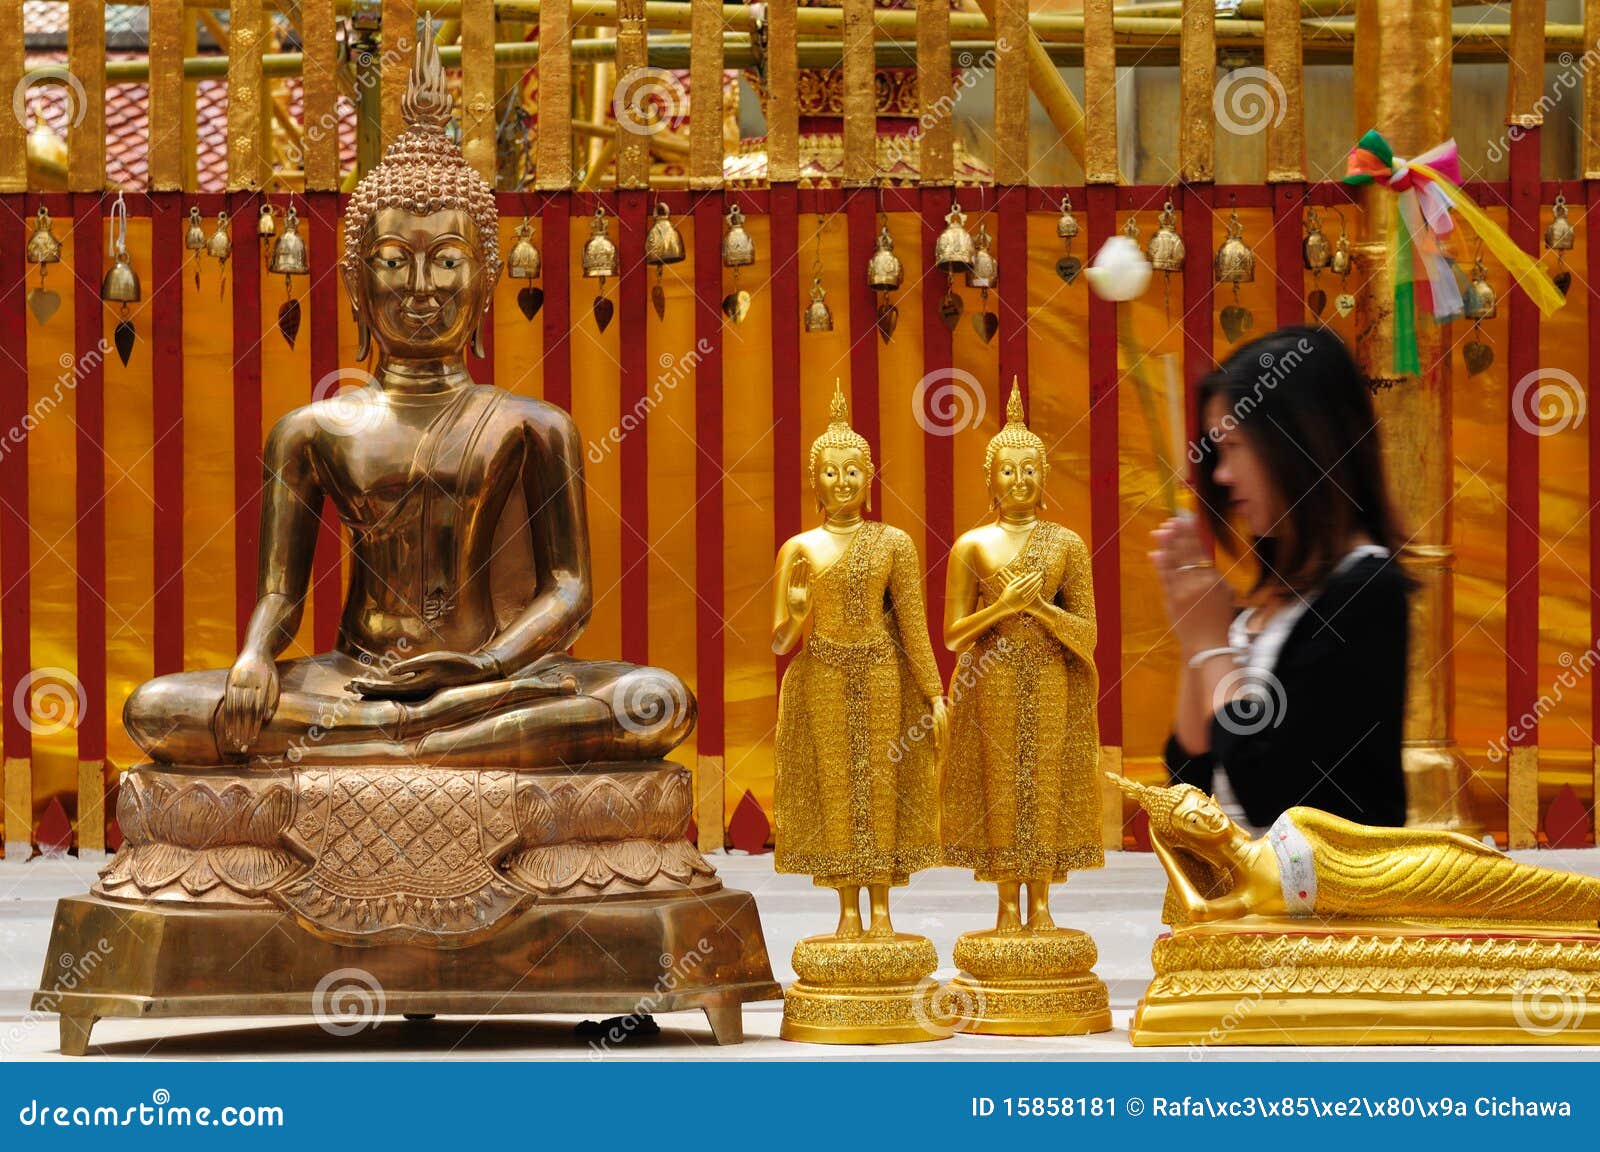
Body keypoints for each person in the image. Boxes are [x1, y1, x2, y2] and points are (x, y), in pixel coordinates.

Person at [1150, 325, 1409, 830]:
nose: (1221, 475)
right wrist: (1194, 634)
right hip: (1247, 898)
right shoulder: (1272, 596)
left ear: (1298, 444)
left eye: (1235, 447)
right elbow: (1191, 771)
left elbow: (1270, 787)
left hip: (1327, 902)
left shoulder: (1368, 592)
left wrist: (1210, 645)